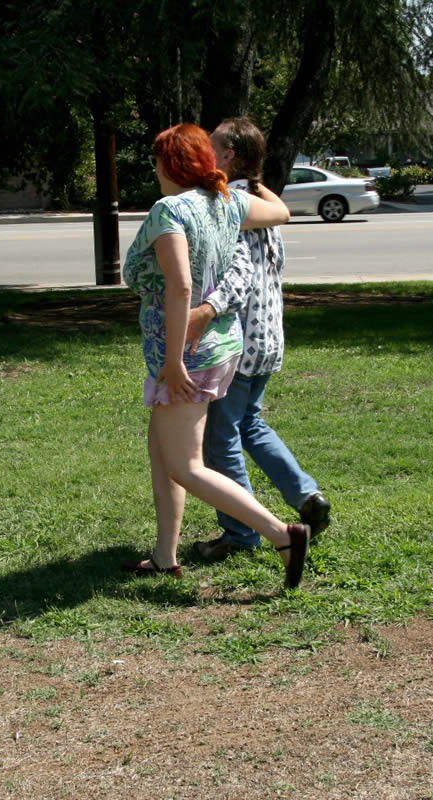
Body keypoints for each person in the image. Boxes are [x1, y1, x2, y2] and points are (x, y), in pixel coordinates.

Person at [121, 123, 312, 589]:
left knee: (186, 465)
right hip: (220, 346)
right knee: (162, 451)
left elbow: (181, 285)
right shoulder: (227, 201)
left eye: (156, 160)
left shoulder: (170, 209)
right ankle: (165, 555)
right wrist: (255, 176)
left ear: (169, 164)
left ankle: (281, 535)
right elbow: (281, 212)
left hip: (186, 353)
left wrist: (171, 362)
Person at [186, 117, 331, 562]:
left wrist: (203, 313)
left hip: (241, 343)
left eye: (212, 147)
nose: (205, 152)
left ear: (228, 156)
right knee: (249, 424)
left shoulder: (236, 205)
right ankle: (307, 497)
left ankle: (241, 532)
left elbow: (239, 276)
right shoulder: (264, 202)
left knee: (220, 439)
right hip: (268, 339)